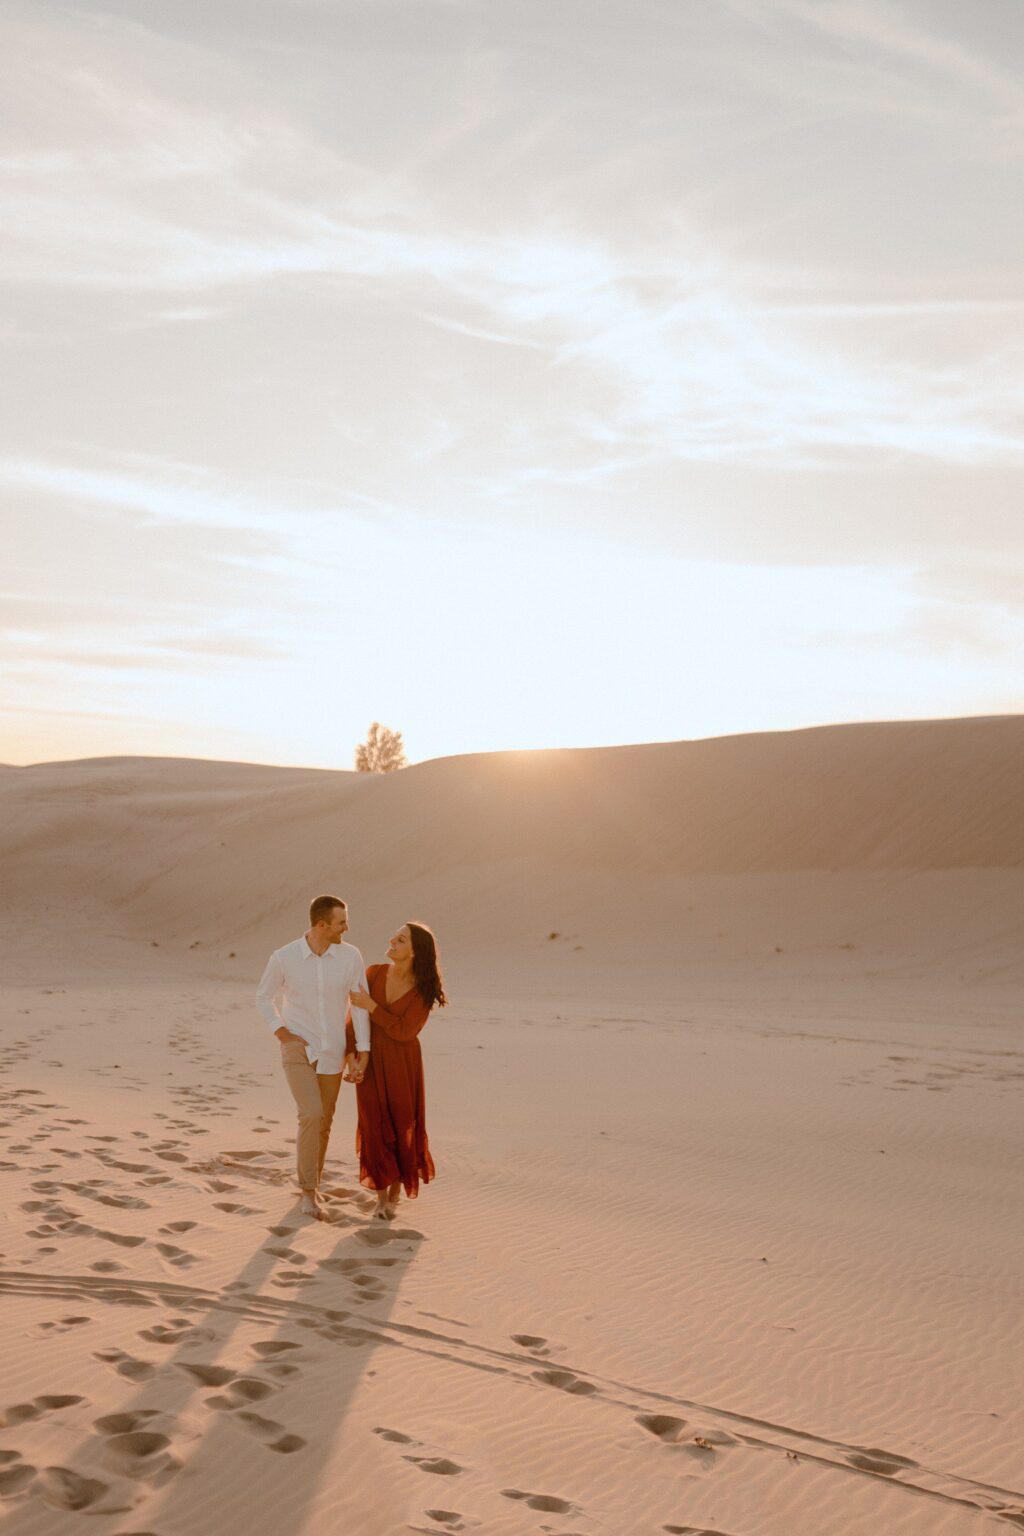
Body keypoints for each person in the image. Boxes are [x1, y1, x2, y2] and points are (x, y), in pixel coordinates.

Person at [256, 895, 370, 1219]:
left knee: (324, 1121)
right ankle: (308, 1192)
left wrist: (362, 1048)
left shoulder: (350, 957)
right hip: (297, 1048)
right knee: (311, 1113)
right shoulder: (284, 957)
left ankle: (313, 1185)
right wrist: (280, 1031)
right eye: (341, 922)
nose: (346, 928)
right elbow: (263, 998)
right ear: (322, 925)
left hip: (333, 1049)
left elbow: (359, 1003)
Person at [348, 921, 446, 1220]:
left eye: (401, 939)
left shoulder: (423, 990)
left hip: (403, 1065)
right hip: (371, 1061)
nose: (392, 940)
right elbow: (355, 1019)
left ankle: (394, 1193)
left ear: (415, 952)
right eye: (395, 935)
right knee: (374, 1125)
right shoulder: (373, 973)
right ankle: (380, 1197)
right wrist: (352, 1054)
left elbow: (404, 1031)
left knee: (402, 1124)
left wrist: (372, 1006)